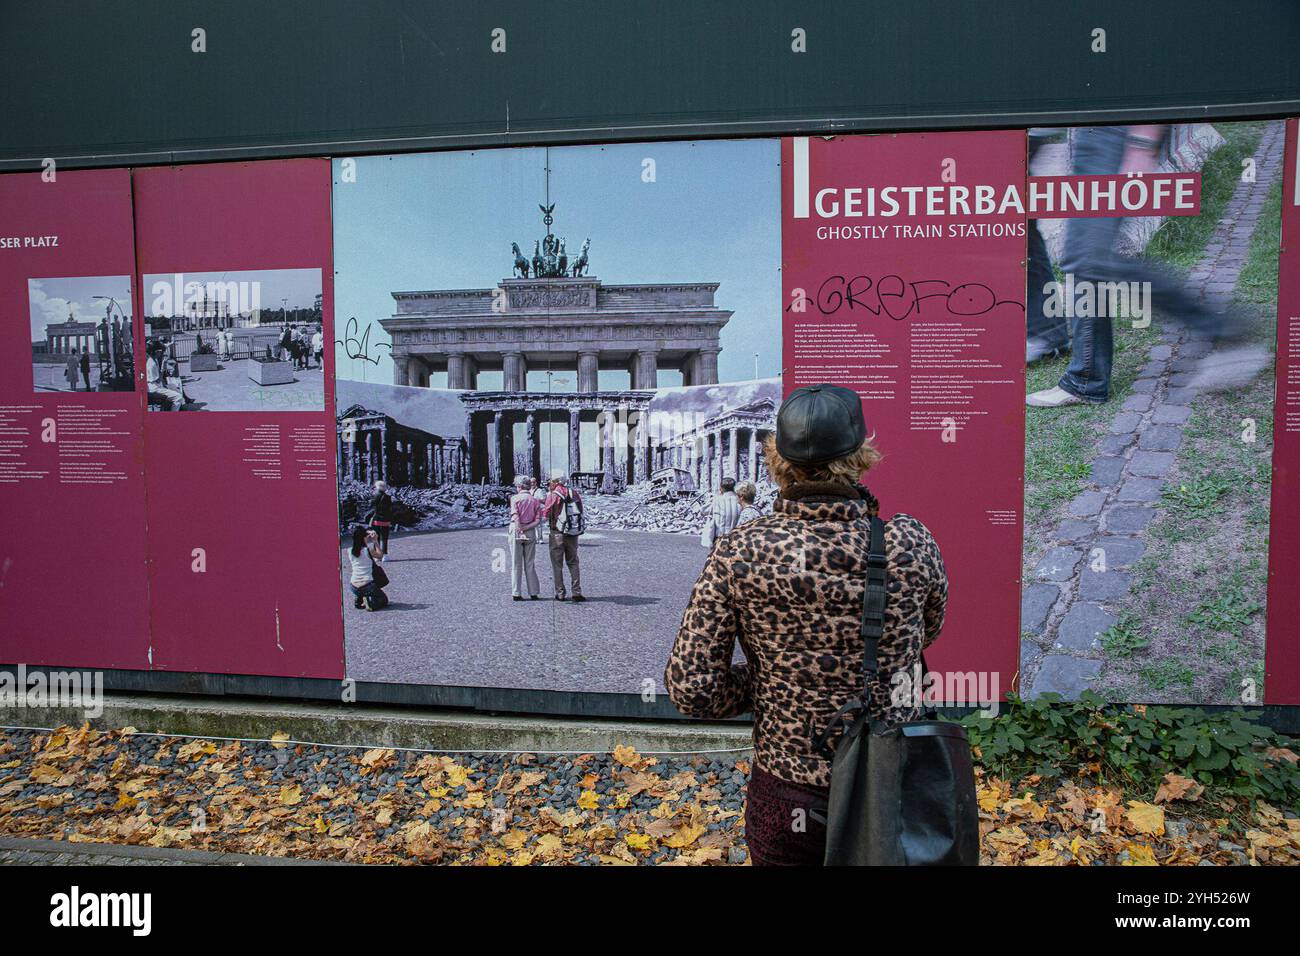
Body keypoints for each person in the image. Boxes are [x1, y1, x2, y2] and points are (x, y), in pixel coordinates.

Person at [666, 384, 948, 866]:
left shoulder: (741, 551)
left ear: (778, 459)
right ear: (862, 454)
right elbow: (930, 630)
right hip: (889, 780)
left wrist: (768, 684)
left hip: (789, 790)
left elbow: (693, 688)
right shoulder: (911, 542)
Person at [1026, 124, 1267, 407]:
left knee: (1089, 257)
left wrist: (1142, 143)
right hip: (1090, 129)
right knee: (1084, 257)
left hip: (1116, 130)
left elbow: (1141, 80)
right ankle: (1083, 376)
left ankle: (1225, 330)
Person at [542, 470, 584, 601]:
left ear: (555, 481)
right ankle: (576, 591)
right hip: (572, 532)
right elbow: (580, 510)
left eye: (551, 481)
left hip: (557, 532)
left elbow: (546, 513)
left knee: (557, 564)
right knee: (573, 562)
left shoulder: (553, 495)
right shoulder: (574, 493)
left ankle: (560, 593)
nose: (549, 483)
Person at [509, 476, 543, 601]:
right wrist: (527, 527)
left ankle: (516, 592)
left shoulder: (514, 499)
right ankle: (533, 591)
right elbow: (538, 520)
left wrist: (520, 529)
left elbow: (515, 515)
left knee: (516, 562)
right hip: (530, 531)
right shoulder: (535, 500)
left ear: (519, 486)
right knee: (530, 562)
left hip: (516, 530)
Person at [348, 525, 389, 611]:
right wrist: (375, 541)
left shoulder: (349, 551)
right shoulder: (368, 550)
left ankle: (359, 599)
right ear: (364, 538)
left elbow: (358, 541)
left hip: (353, 586)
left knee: (362, 583)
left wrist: (365, 533)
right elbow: (380, 555)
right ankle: (370, 603)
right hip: (367, 586)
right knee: (384, 600)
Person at [700, 476, 741, 548]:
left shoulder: (717, 500)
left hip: (720, 538)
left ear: (721, 488)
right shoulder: (740, 500)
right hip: (736, 539)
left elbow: (703, 510)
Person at [368, 480, 393, 557]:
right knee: (385, 538)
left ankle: (378, 555)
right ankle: (385, 555)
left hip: (377, 519)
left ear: (377, 487)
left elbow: (370, 506)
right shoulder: (388, 497)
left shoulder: (375, 496)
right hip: (386, 520)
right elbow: (390, 509)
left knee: (376, 538)